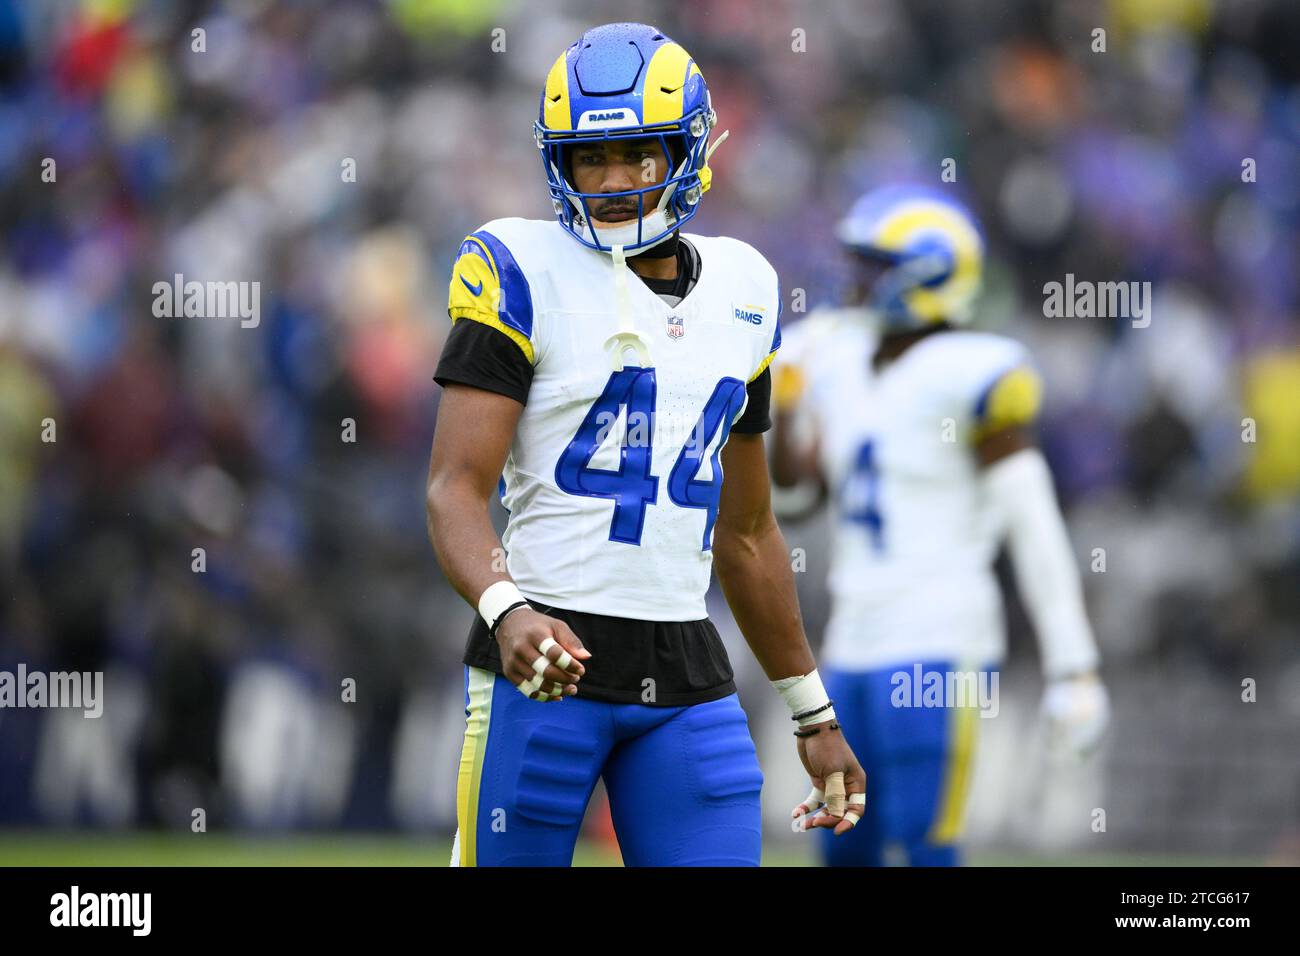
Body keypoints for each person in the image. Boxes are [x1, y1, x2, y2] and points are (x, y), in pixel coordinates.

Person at [426, 21, 864, 867]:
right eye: (590, 158)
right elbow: (454, 488)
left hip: (685, 669)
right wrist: (506, 609)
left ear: (688, 151)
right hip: (542, 663)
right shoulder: (518, 266)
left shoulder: (745, 288)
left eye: (638, 155)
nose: (614, 180)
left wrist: (813, 713)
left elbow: (747, 533)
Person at [770, 185, 1109, 866]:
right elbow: (795, 499)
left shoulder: (974, 371)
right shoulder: (838, 359)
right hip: (851, 642)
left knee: (927, 842)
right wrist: (784, 413)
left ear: (925, 276)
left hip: (939, 643)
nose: (854, 279)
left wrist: (1074, 666)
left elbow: (1033, 523)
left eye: (874, 265)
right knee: (844, 849)